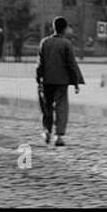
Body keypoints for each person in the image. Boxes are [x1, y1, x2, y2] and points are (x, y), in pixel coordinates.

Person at [36, 16, 86, 146]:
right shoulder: (66, 44)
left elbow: (40, 63)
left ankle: (47, 131)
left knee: (46, 107)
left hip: (47, 81)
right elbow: (71, 64)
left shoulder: (44, 42)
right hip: (61, 81)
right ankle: (58, 135)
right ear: (64, 29)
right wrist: (76, 82)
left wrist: (38, 78)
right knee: (61, 108)